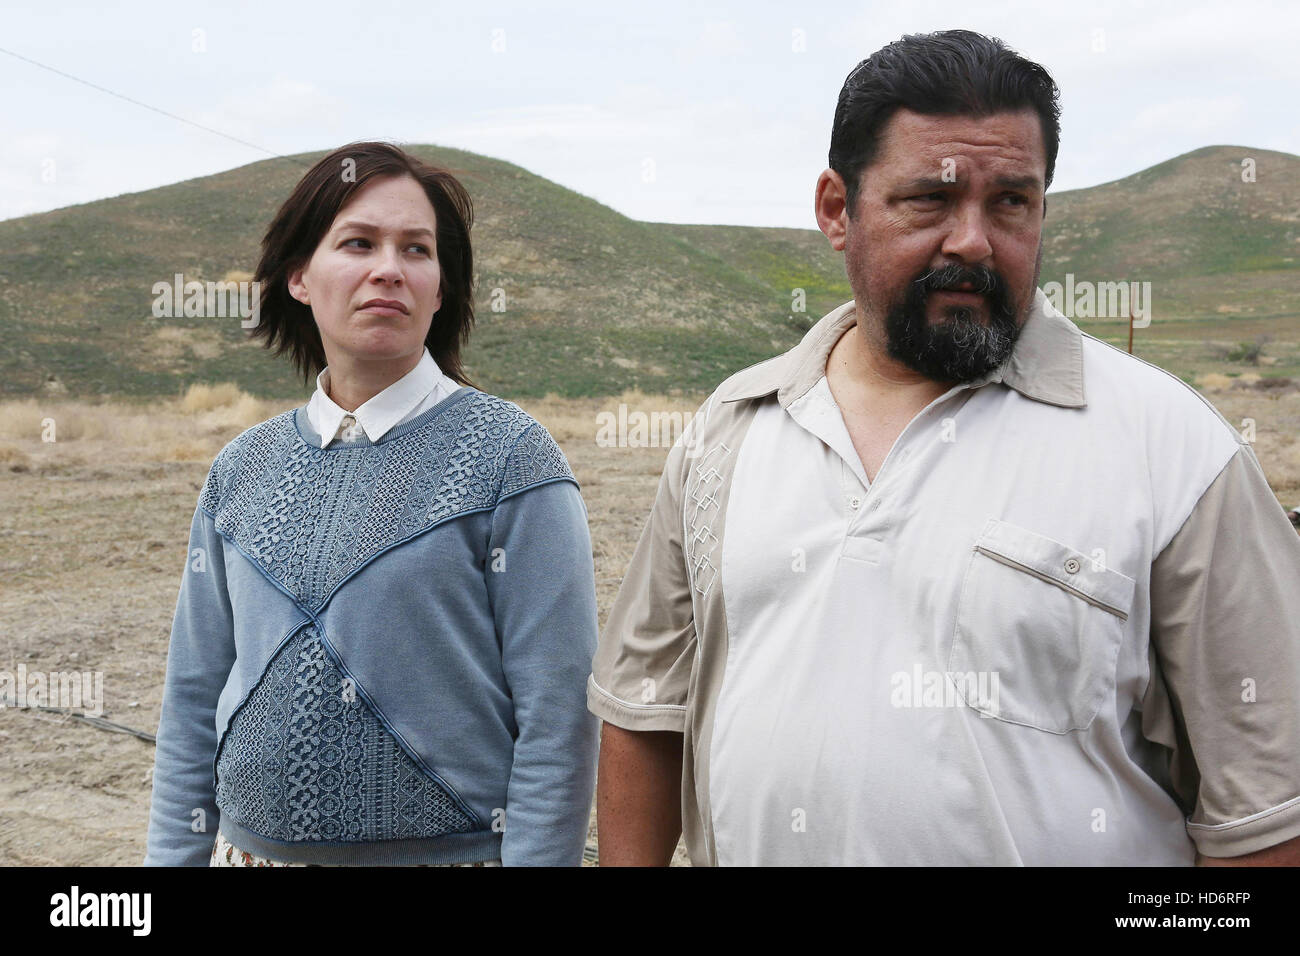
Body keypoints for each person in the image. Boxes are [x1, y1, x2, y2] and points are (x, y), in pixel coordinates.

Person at [587, 30, 1300, 866]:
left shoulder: (1178, 454)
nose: (973, 241)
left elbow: (1263, 812)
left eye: (1011, 203)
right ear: (835, 210)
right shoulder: (729, 431)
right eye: (931, 199)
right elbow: (644, 713)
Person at [144, 142, 599, 866]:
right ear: (298, 275)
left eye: (416, 249)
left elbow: (559, 718)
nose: (389, 267)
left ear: (442, 287)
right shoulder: (240, 470)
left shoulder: (513, 459)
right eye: (358, 243)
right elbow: (193, 700)